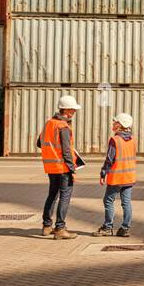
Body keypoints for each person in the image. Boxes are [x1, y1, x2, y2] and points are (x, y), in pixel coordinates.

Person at [37, 95, 82, 240]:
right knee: (64, 197)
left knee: (52, 195)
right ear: (67, 110)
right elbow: (66, 151)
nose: (74, 113)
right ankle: (60, 228)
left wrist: (51, 150)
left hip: (51, 167)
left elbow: (39, 143)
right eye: (73, 110)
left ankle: (46, 226)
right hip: (62, 167)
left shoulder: (49, 123)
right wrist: (72, 169)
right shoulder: (63, 126)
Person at [97, 113, 136, 237]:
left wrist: (103, 173)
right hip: (129, 177)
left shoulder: (115, 140)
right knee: (126, 203)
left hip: (117, 178)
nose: (113, 124)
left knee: (108, 200)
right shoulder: (133, 139)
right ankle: (125, 228)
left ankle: (107, 227)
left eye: (115, 122)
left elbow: (109, 159)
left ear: (120, 125)